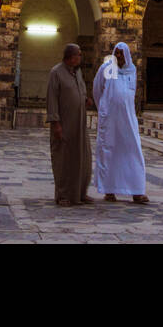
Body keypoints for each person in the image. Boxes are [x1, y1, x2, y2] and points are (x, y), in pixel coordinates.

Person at [92, 41, 149, 204]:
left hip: (128, 118)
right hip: (110, 119)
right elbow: (97, 89)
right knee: (108, 150)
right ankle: (109, 190)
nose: (118, 56)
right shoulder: (107, 68)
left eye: (121, 53)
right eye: (116, 53)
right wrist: (103, 109)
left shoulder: (132, 71)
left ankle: (137, 190)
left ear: (127, 55)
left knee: (133, 150)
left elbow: (132, 93)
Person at [46, 43, 92, 206]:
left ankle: (80, 193)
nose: (80, 57)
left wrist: (84, 99)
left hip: (79, 124)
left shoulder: (77, 73)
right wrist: (55, 123)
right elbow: (52, 99)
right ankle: (64, 195)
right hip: (65, 123)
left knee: (82, 159)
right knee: (64, 160)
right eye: (78, 55)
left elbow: (80, 91)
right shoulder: (56, 73)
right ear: (71, 57)